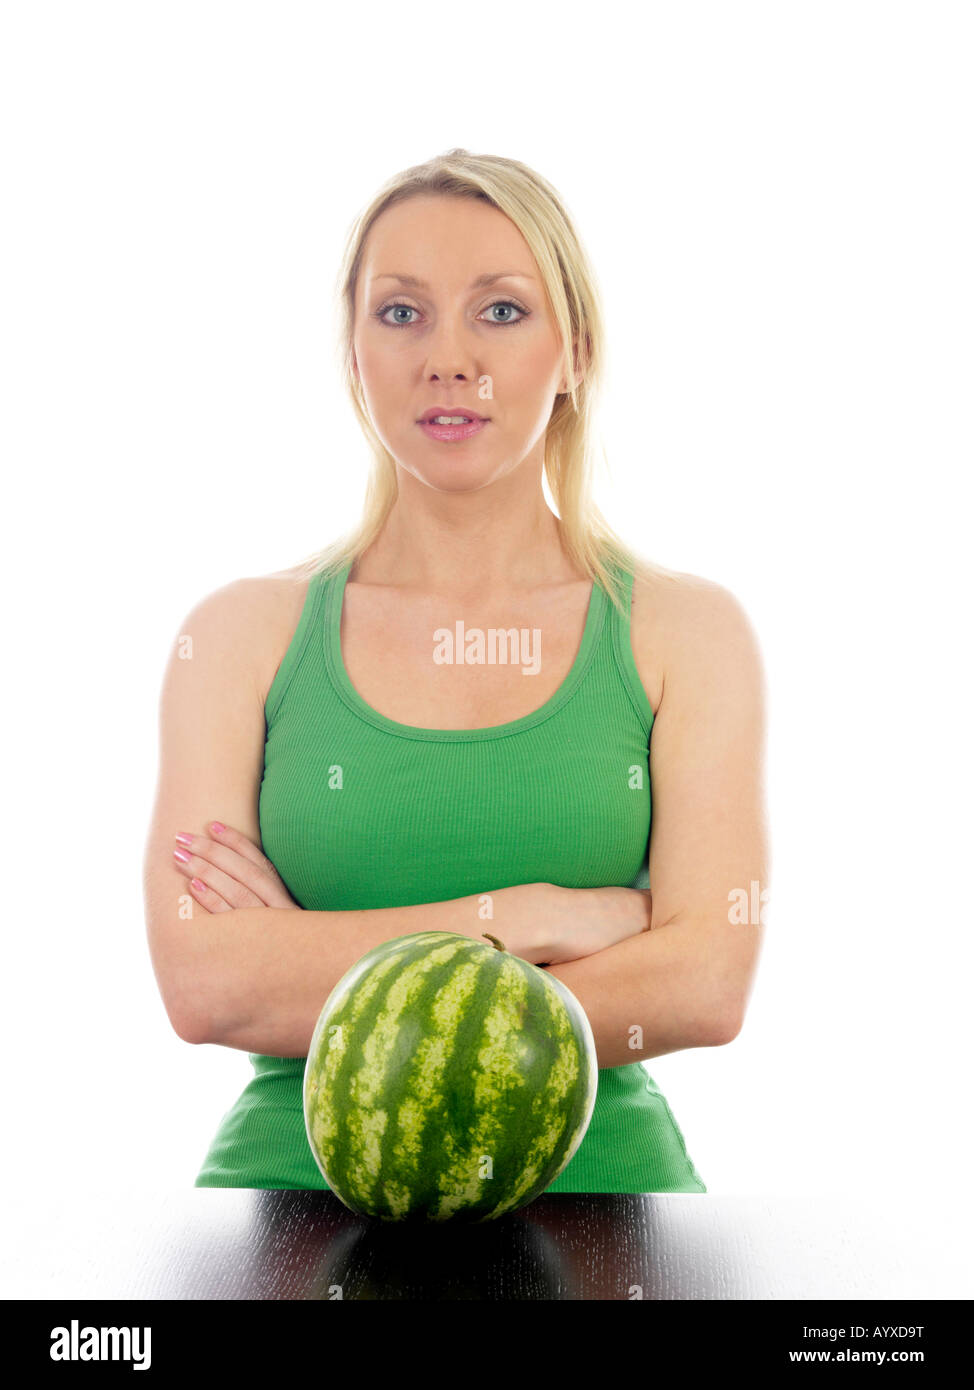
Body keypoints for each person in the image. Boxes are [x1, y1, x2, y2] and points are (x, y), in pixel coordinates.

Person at [142, 148, 768, 1195]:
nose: (446, 357)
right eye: (400, 313)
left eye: (500, 312)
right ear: (351, 351)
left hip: (600, 1206)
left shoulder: (682, 632)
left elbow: (705, 983)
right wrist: (528, 915)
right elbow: (207, 986)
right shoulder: (240, 636)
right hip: (287, 1207)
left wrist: (303, 952)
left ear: (574, 351)